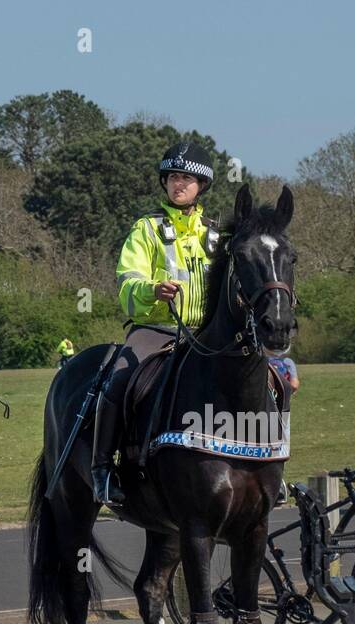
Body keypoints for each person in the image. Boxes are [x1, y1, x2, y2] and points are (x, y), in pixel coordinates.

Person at [92, 141, 221, 506]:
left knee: (261, 375)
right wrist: (152, 290)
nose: (178, 184)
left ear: (201, 187)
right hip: (155, 330)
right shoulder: (145, 229)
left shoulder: (216, 236)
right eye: (173, 177)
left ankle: (265, 464)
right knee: (116, 377)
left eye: (187, 178)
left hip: (205, 336)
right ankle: (103, 470)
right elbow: (126, 285)